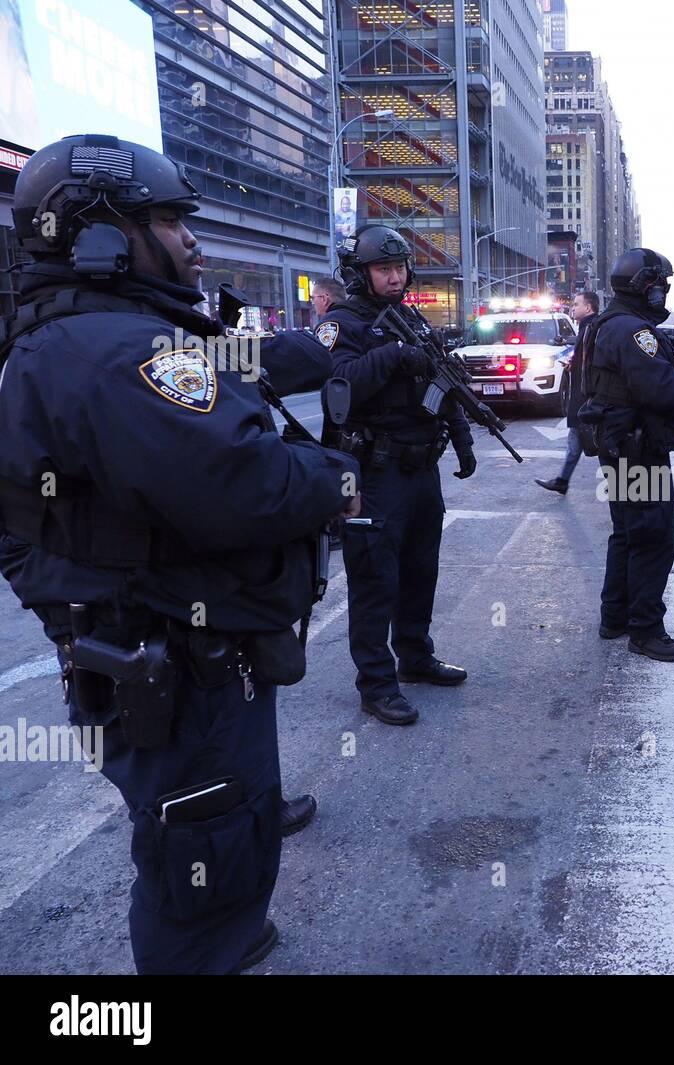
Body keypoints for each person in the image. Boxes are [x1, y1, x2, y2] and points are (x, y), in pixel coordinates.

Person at [0, 134, 359, 973]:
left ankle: (231, 936)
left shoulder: (88, 336)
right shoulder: (119, 351)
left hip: (165, 646)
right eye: (167, 219)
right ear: (96, 234)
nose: (191, 239)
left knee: (219, 824)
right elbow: (252, 484)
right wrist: (333, 475)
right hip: (175, 658)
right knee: (201, 845)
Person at [316, 225, 475, 726]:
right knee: (374, 579)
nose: (394, 276)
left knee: (420, 570)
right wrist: (391, 356)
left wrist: (463, 435)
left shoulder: (410, 318)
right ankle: (377, 684)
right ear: (361, 274)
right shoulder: (343, 324)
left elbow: (441, 383)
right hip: (377, 470)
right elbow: (339, 388)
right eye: (383, 269)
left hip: (421, 466)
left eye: (400, 268)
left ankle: (414, 655)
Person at [579, 248, 674, 662]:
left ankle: (615, 616)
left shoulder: (613, 324)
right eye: (659, 284)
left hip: (621, 446)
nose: (664, 291)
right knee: (652, 537)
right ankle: (646, 629)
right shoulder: (632, 331)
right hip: (637, 450)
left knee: (627, 532)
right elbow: (662, 388)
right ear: (642, 287)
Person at [536, 290, 600, 496]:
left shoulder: (592, 327)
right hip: (581, 397)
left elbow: (595, 362)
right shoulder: (586, 327)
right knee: (577, 443)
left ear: (588, 308)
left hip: (586, 398)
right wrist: (573, 363)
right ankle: (562, 481)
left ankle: (618, 481)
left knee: (599, 443)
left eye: (576, 304)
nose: (572, 307)